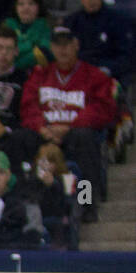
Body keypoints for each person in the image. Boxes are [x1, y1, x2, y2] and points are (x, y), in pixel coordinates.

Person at [20, 26, 117, 216]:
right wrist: (42, 128)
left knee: (85, 140)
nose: (62, 49)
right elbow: (28, 106)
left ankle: (87, 202)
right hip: (45, 132)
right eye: (58, 44)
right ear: (52, 47)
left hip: (76, 133)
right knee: (20, 138)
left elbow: (103, 108)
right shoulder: (40, 75)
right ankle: (27, 199)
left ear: (76, 45)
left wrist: (70, 127)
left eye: (67, 44)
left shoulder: (94, 75)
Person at [65, 0, 134, 83]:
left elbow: (127, 56)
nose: (91, 2)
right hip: (78, 75)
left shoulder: (118, 20)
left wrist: (108, 69)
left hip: (109, 75)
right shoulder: (72, 21)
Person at [3, 0, 51, 72]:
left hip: (37, 72)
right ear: (15, 7)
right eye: (21, 4)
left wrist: (15, 63)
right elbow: (4, 52)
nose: (26, 7)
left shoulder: (45, 26)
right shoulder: (8, 25)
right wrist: (32, 47)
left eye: (31, 3)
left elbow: (44, 53)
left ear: (38, 7)